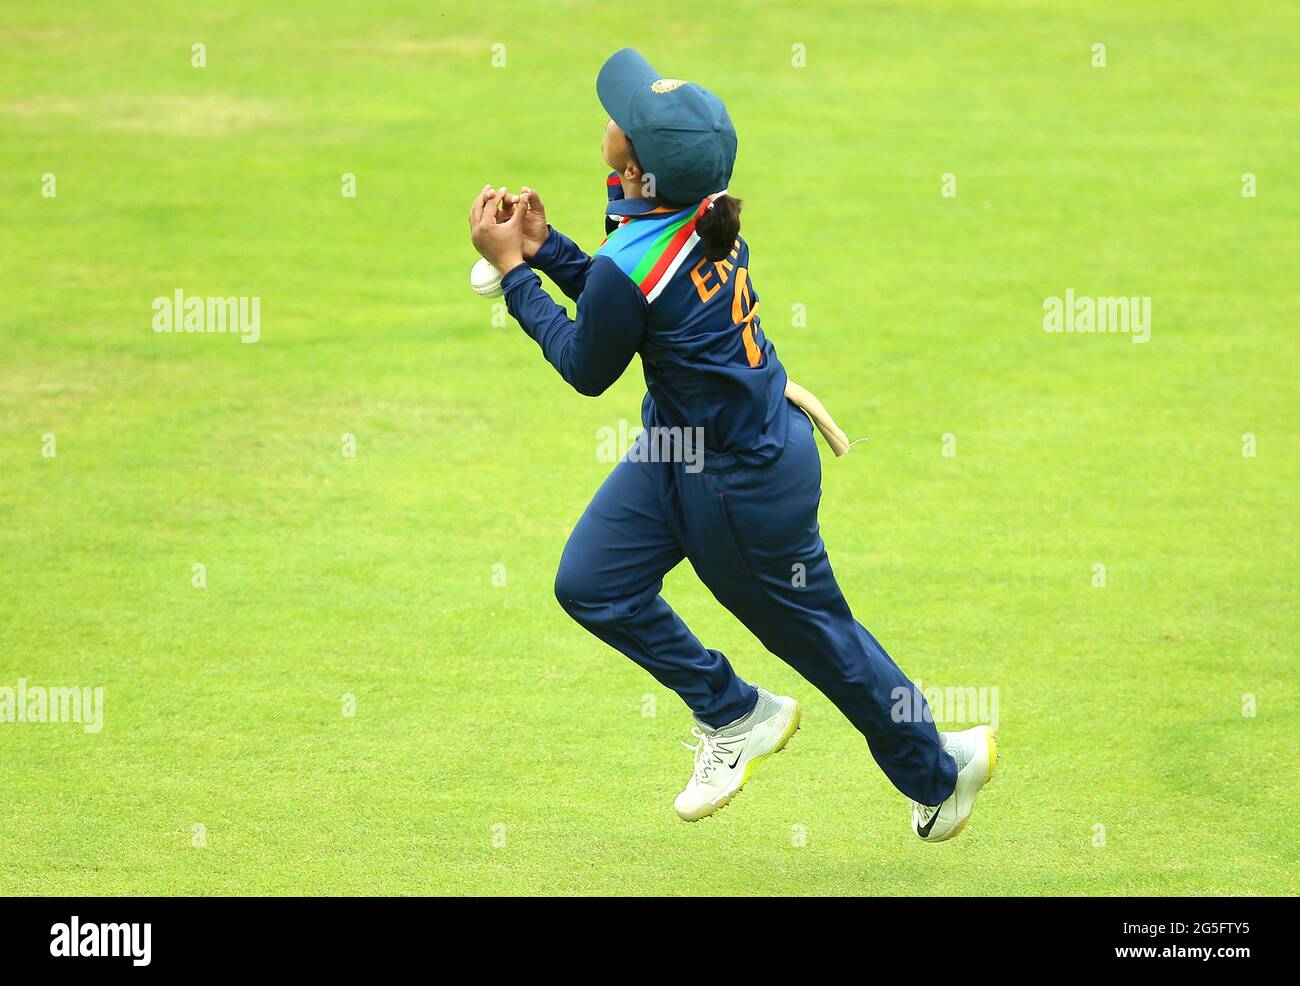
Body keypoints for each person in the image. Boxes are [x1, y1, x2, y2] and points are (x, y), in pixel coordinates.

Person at [467, 48, 996, 840]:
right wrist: (546, 250)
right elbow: (627, 303)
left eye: (625, 120)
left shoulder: (637, 255)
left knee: (820, 637)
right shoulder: (696, 210)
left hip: (740, 484)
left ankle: (939, 770)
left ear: (639, 168)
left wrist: (515, 275)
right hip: (686, 450)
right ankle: (733, 709)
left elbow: (587, 364)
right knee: (592, 584)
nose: (612, 117)